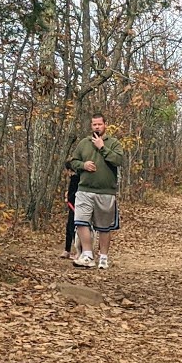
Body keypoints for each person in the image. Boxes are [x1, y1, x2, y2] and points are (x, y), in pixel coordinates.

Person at [62, 112, 122, 269]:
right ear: (91, 126)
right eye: (94, 124)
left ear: (105, 125)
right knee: (80, 221)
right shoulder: (84, 143)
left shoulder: (113, 143)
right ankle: (88, 255)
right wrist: (83, 165)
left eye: (99, 124)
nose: (97, 127)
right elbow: (73, 162)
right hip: (84, 190)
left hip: (106, 192)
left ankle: (103, 257)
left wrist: (102, 147)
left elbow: (118, 160)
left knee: (104, 227)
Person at [62, 168, 81, 258]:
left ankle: (79, 252)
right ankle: (67, 250)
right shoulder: (75, 178)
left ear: (69, 170)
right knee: (69, 227)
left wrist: (68, 198)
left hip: (76, 207)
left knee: (73, 228)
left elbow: (74, 193)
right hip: (73, 206)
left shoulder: (75, 178)